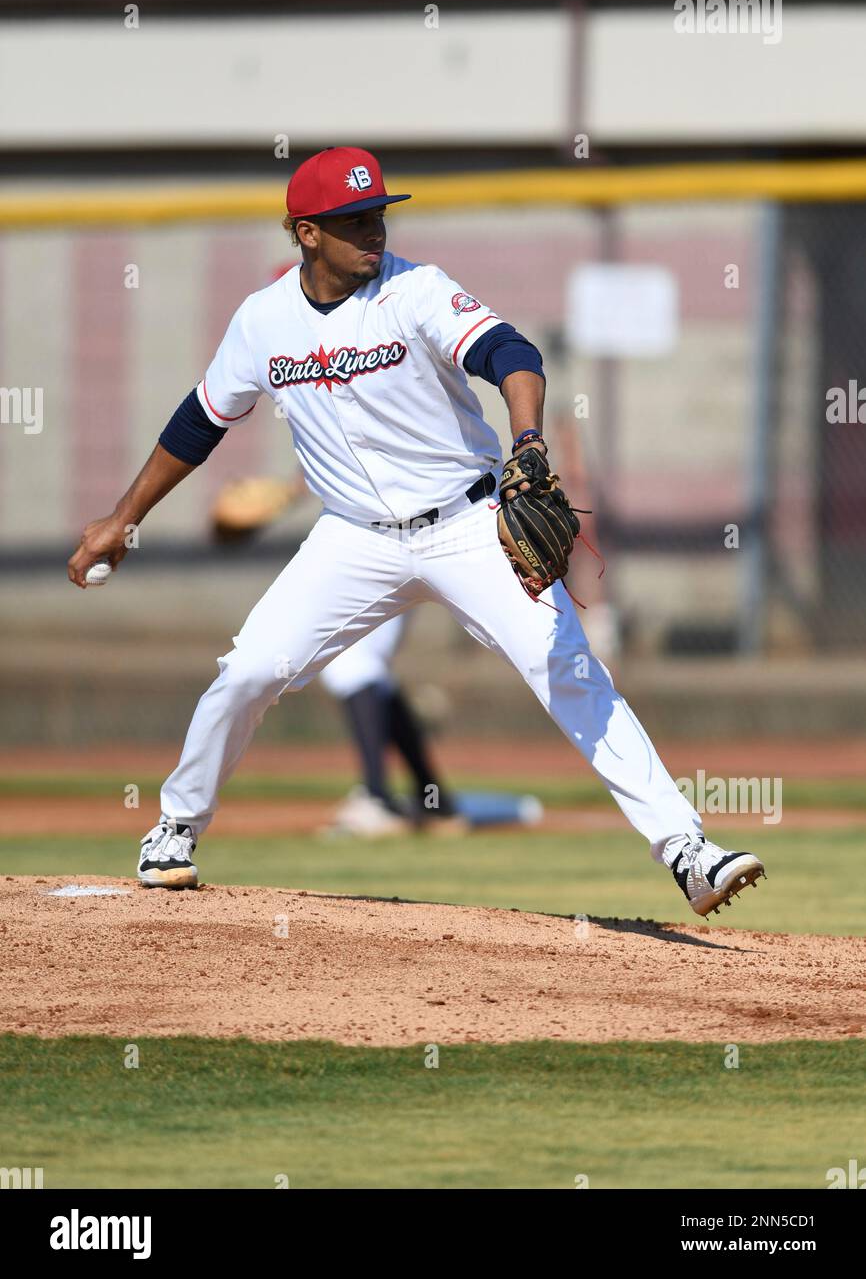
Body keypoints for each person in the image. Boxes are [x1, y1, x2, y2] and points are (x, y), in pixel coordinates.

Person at [67, 145, 765, 918]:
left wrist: (526, 440)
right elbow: (201, 420)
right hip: (353, 541)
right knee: (250, 671)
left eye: (377, 214)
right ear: (305, 232)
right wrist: (121, 520)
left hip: (468, 523)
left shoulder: (416, 289)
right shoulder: (262, 320)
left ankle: (689, 853)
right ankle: (175, 828)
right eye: (352, 220)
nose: (373, 229)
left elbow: (511, 352)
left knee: (564, 664)